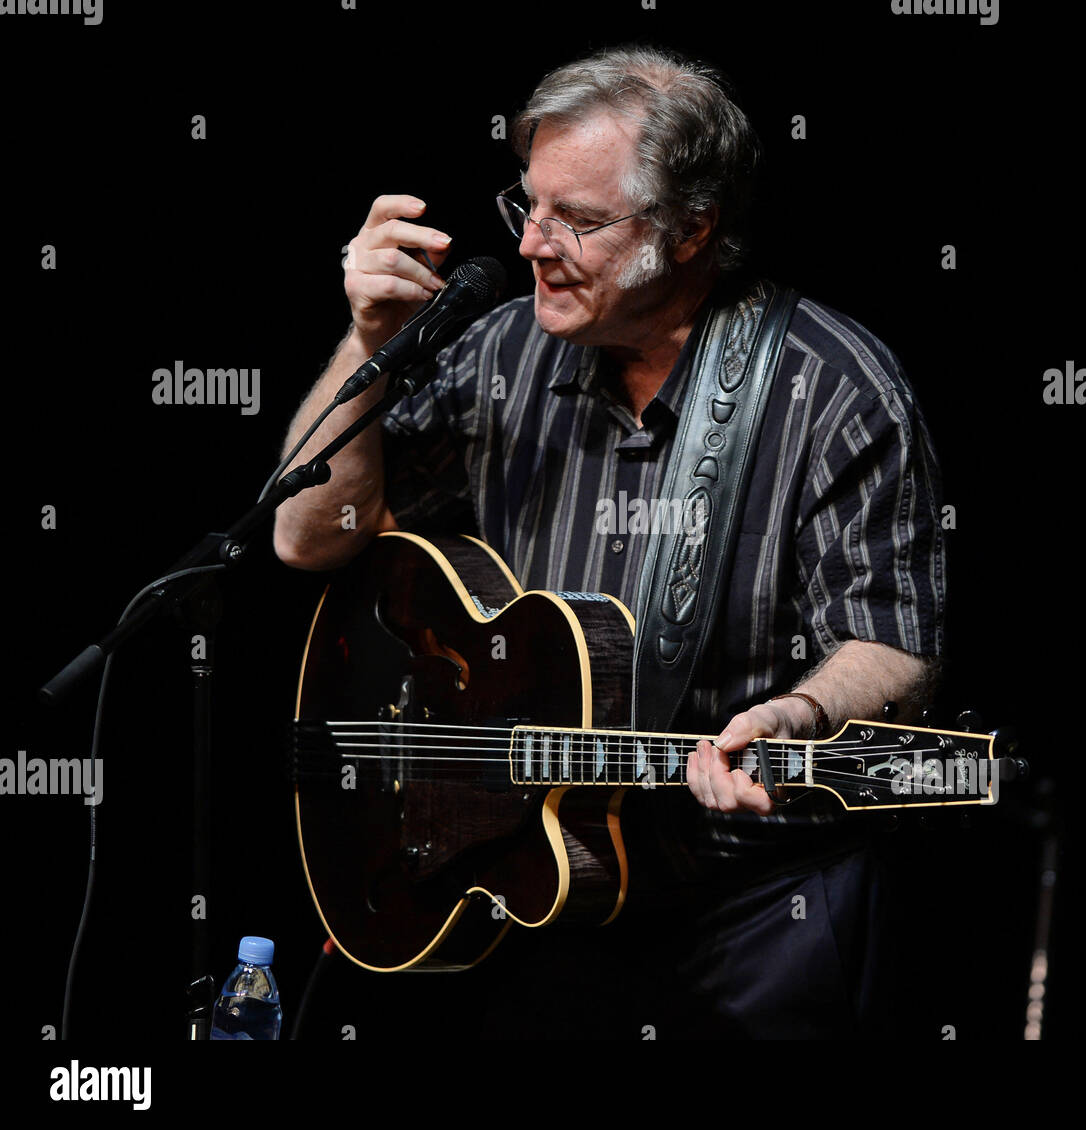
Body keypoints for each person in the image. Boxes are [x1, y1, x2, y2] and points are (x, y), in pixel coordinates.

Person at [273, 45, 946, 1038]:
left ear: (691, 230)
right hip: (540, 886)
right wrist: (371, 345)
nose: (534, 244)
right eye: (527, 205)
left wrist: (800, 712)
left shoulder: (835, 389)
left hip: (756, 912)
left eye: (579, 221)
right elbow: (308, 537)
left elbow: (896, 646)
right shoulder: (501, 347)